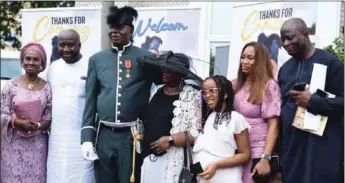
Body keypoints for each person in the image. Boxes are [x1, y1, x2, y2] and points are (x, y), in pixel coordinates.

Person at [80, 6, 162, 183]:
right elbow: (90, 100)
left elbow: (163, 89)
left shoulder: (145, 57)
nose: (114, 32)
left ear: (131, 30)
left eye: (120, 27)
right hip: (103, 136)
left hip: (132, 137)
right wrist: (86, 138)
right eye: (112, 28)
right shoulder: (97, 59)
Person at [278, 18, 344, 183]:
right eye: (282, 39)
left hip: (321, 150)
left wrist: (313, 101)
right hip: (292, 152)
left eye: (290, 37)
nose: (285, 43)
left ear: (305, 34)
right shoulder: (284, 70)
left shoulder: (330, 63)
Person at [139, 52, 202, 183]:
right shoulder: (156, 91)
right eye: (163, 68)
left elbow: (195, 134)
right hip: (149, 159)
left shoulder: (191, 96)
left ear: (181, 73)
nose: (165, 71)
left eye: (170, 69)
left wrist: (170, 140)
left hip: (173, 161)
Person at [46, 29, 95, 183]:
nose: (66, 49)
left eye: (71, 45)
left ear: (79, 45)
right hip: (57, 136)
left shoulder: (90, 64)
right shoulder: (53, 67)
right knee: (57, 174)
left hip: (81, 136)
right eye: (62, 45)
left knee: (83, 175)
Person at [1, 43, 52, 183]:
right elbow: (2, 114)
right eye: (27, 58)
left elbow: (49, 115)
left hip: (37, 144)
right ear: (22, 62)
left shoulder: (47, 87)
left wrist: (38, 125)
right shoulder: (11, 85)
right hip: (13, 144)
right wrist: (17, 122)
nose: (31, 62)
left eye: (36, 60)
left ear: (42, 63)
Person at [232, 42, 281, 183]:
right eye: (243, 57)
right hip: (238, 151)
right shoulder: (237, 84)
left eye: (250, 58)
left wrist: (266, 158)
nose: (245, 61)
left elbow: (274, 126)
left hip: (258, 151)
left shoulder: (268, 85)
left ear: (259, 61)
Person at [193, 75, 251, 183]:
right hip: (206, 178)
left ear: (225, 94)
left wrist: (217, 164)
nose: (207, 95)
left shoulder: (236, 119)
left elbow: (245, 154)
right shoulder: (209, 117)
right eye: (204, 92)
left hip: (225, 177)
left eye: (212, 90)